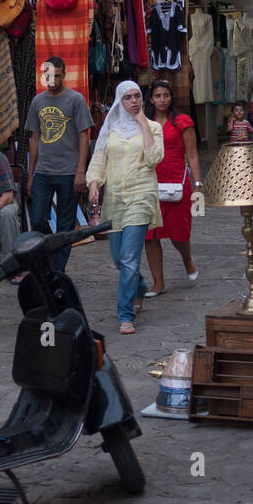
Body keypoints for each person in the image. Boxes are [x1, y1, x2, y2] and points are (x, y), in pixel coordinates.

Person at [86, 81, 163, 335]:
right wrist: (94, 182)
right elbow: (99, 158)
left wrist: (143, 125)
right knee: (120, 261)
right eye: (128, 97)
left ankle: (125, 314)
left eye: (137, 97)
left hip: (141, 196)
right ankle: (139, 287)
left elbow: (154, 159)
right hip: (115, 200)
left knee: (130, 259)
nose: (134, 101)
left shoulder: (153, 127)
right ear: (120, 101)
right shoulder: (110, 131)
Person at [25, 57, 93, 273]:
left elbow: (84, 137)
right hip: (43, 171)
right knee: (37, 220)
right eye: (48, 75)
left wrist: (80, 171)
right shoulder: (38, 102)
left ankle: (57, 271)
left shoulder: (76, 100)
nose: (52, 80)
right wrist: (31, 174)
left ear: (64, 75)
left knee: (65, 226)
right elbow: (34, 138)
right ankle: (49, 257)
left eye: (57, 75)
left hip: (68, 172)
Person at [143, 80, 202, 297]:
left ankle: (187, 259)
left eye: (165, 95)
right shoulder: (144, 123)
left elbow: (193, 154)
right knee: (150, 235)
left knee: (179, 233)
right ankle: (158, 283)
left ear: (171, 98)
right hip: (149, 184)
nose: (161, 100)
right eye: (157, 96)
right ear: (151, 99)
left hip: (177, 183)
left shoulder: (182, 122)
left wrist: (198, 185)